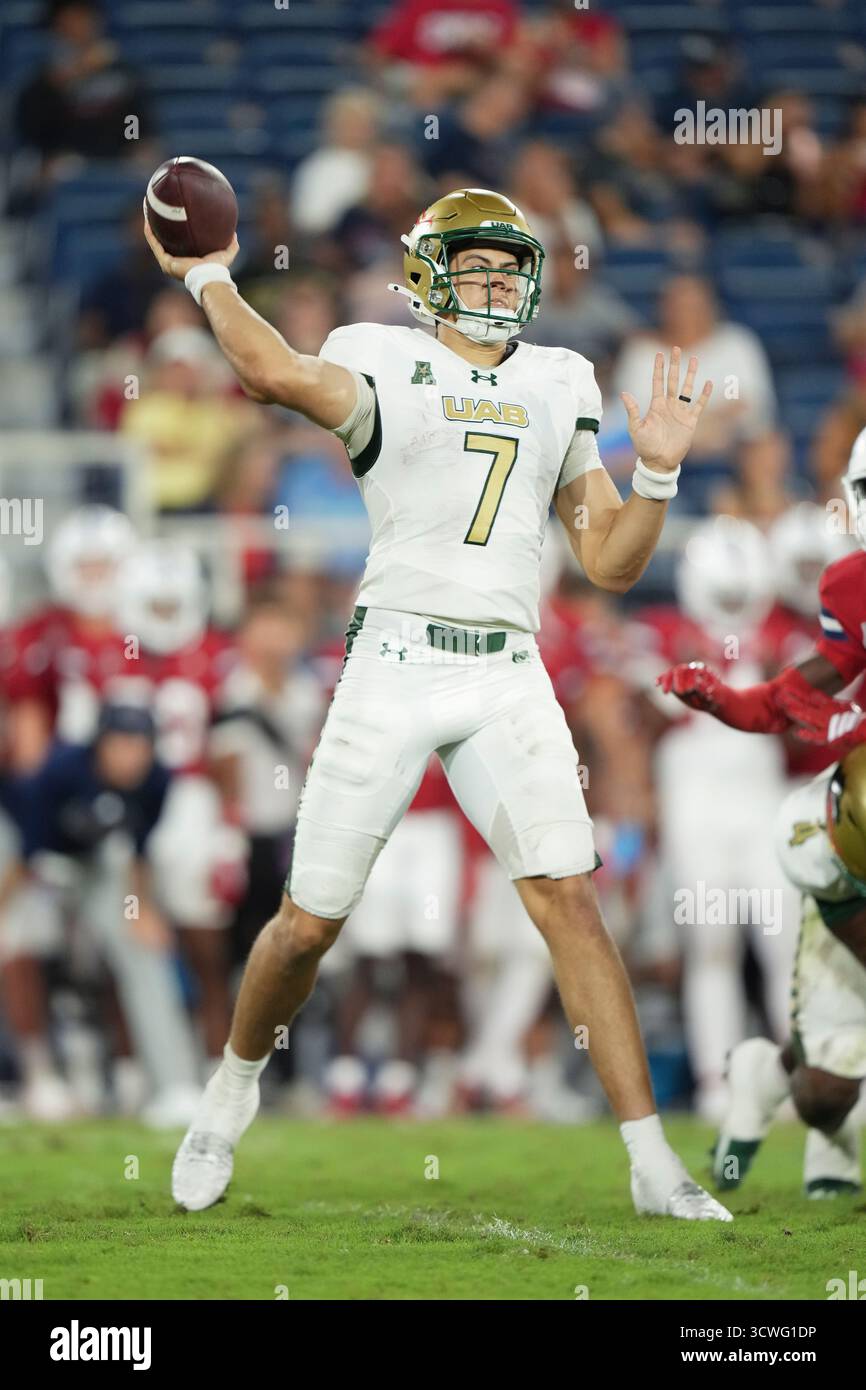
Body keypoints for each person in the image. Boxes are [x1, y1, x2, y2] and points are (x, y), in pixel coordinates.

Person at [144, 182, 729, 1221]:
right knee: (306, 924)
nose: (499, 282)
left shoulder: (560, 379)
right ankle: (227, 1093)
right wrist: (207, 275)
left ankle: (652, 1163)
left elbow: (606, 562)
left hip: (506, 664)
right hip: (395, 658)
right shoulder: (381, 354)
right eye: (479, 264)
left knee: (570, 900)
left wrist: (657, 477)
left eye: (513, 266)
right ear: (427, 275)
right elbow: (271, 369)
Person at [713, 744, 866, 1198]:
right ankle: (767, 1078)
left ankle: (765, 1080)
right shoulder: (817, 836)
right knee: (825, 1097)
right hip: (853, 913)